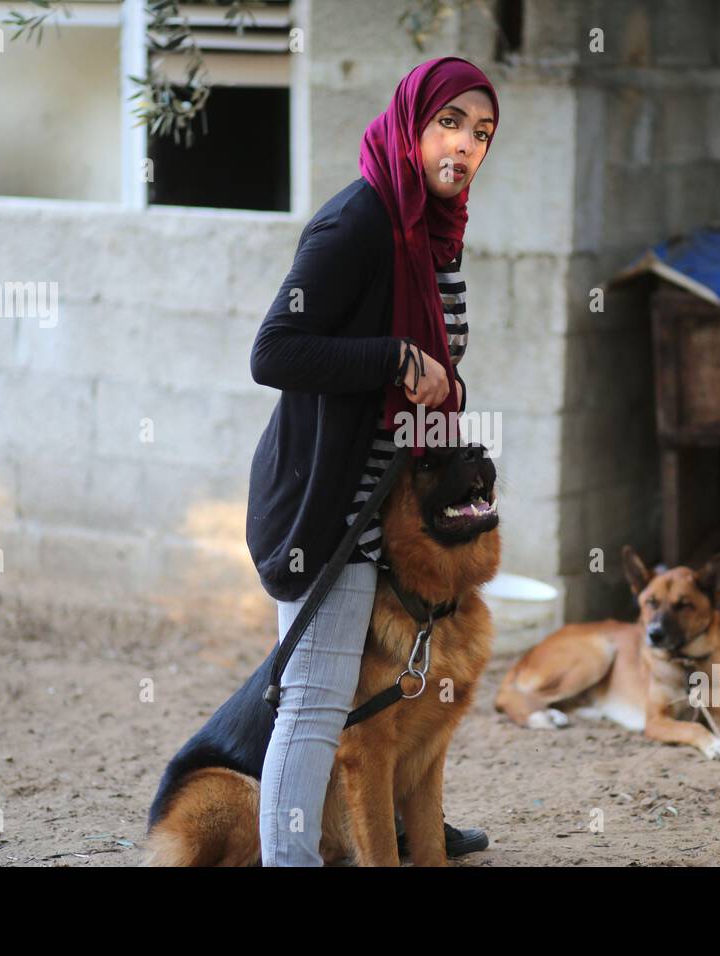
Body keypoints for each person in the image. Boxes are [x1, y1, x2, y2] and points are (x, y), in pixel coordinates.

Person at [246, 56, 500, 866]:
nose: (464, 146)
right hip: (329, 508)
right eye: (449, 123)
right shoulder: (357, 222)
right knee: (315, 705)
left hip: (390, 509)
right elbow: (276, 352)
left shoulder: (431, 229)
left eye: (482, 133)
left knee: (379, 702)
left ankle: (402, 828)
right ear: (411, 124)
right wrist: (394, 360)